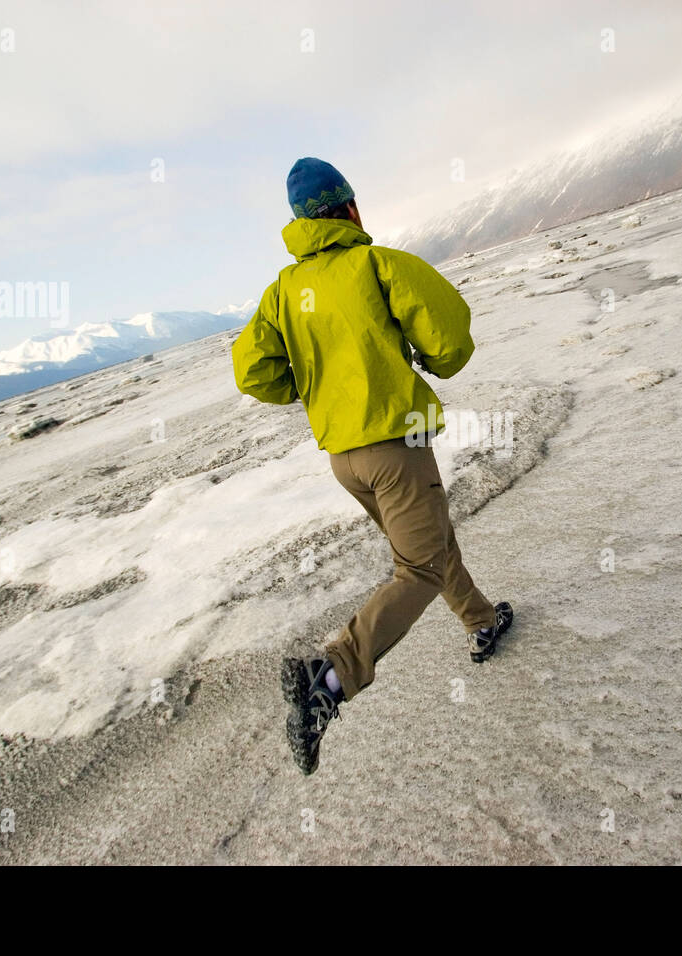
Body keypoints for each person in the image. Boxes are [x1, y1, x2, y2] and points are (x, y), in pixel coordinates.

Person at [231, 157, 513, 775]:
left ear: (300, 221)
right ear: (350, 208)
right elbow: (450, 335)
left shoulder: (282, 293)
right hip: (396, 448)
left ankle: (482, 620)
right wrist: (425, 362)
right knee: (418, 568)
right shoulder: (377, 264)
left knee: (432, 543)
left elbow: (252, 370)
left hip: (345, 460)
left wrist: (313, 386)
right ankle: (330, 676)